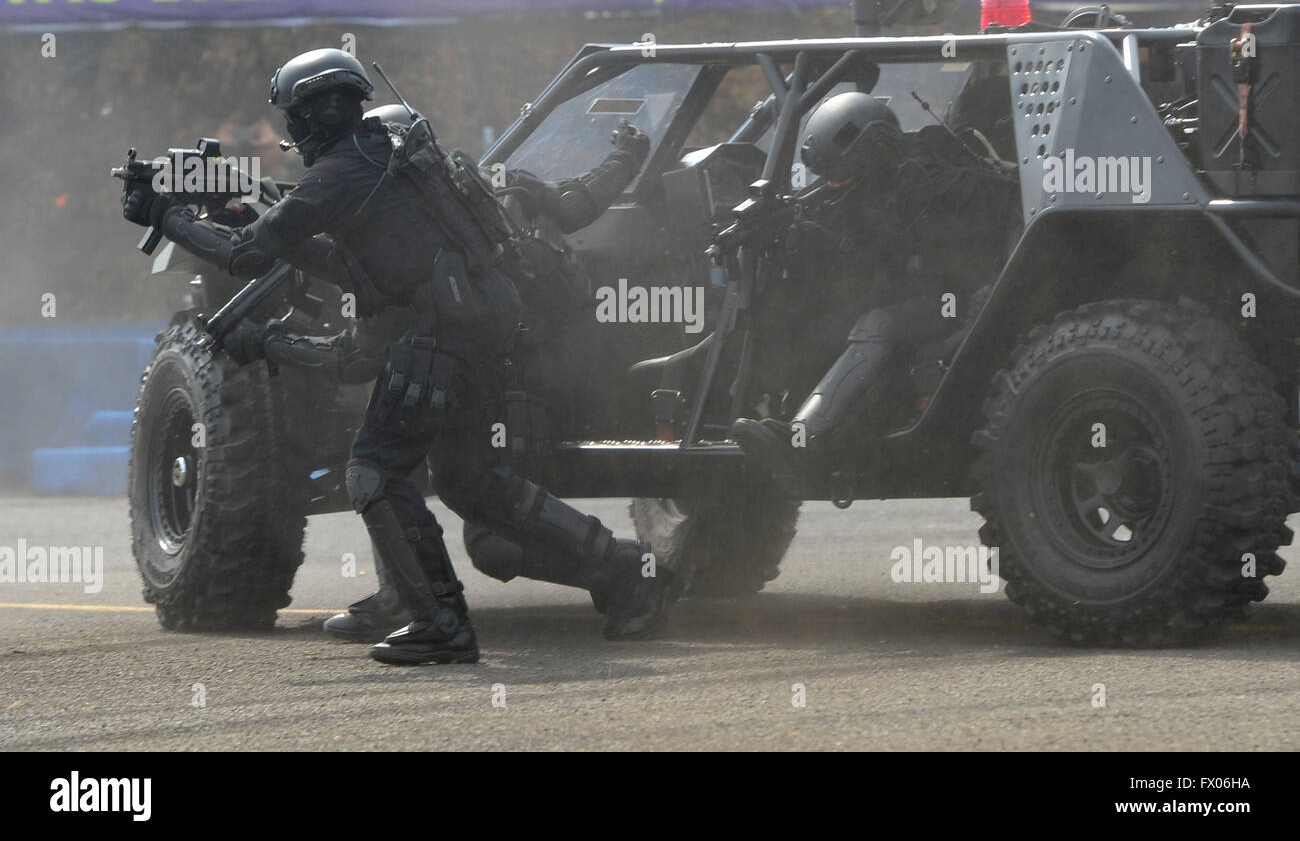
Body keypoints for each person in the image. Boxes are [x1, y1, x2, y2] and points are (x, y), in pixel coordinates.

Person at [122, 48, 673, 664]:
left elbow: (249, 256)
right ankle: (627, 573)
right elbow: (356, 267)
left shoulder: (339, 174)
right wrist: (270, 320)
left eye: (293, 119)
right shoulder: (398, 167)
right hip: (479, 331)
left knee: (375, 472)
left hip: (437, 336)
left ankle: (441, 622)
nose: (292, 133)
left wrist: (166, 216)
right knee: (474, 484)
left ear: (309, 118)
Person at [323, 103, 653, 640]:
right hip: (479, 378)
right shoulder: (462, 193)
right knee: (393, 457)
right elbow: (577, 201)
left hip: (515, 386)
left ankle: (626, 571)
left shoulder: (462, 203)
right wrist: (626, 155)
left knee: (493, 544)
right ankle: (404, 596)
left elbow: (573, 203)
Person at [731, 91, 1018, 491]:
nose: (834, 185)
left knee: (879, 322)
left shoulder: (927, 174)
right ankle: (818, 422)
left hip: (966, 299)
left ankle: (802, 441)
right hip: (928, 292)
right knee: (826, 320)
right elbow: (860, 241)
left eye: (841, 174)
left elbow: (901, 235)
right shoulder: (879, 179)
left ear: (875, 148)